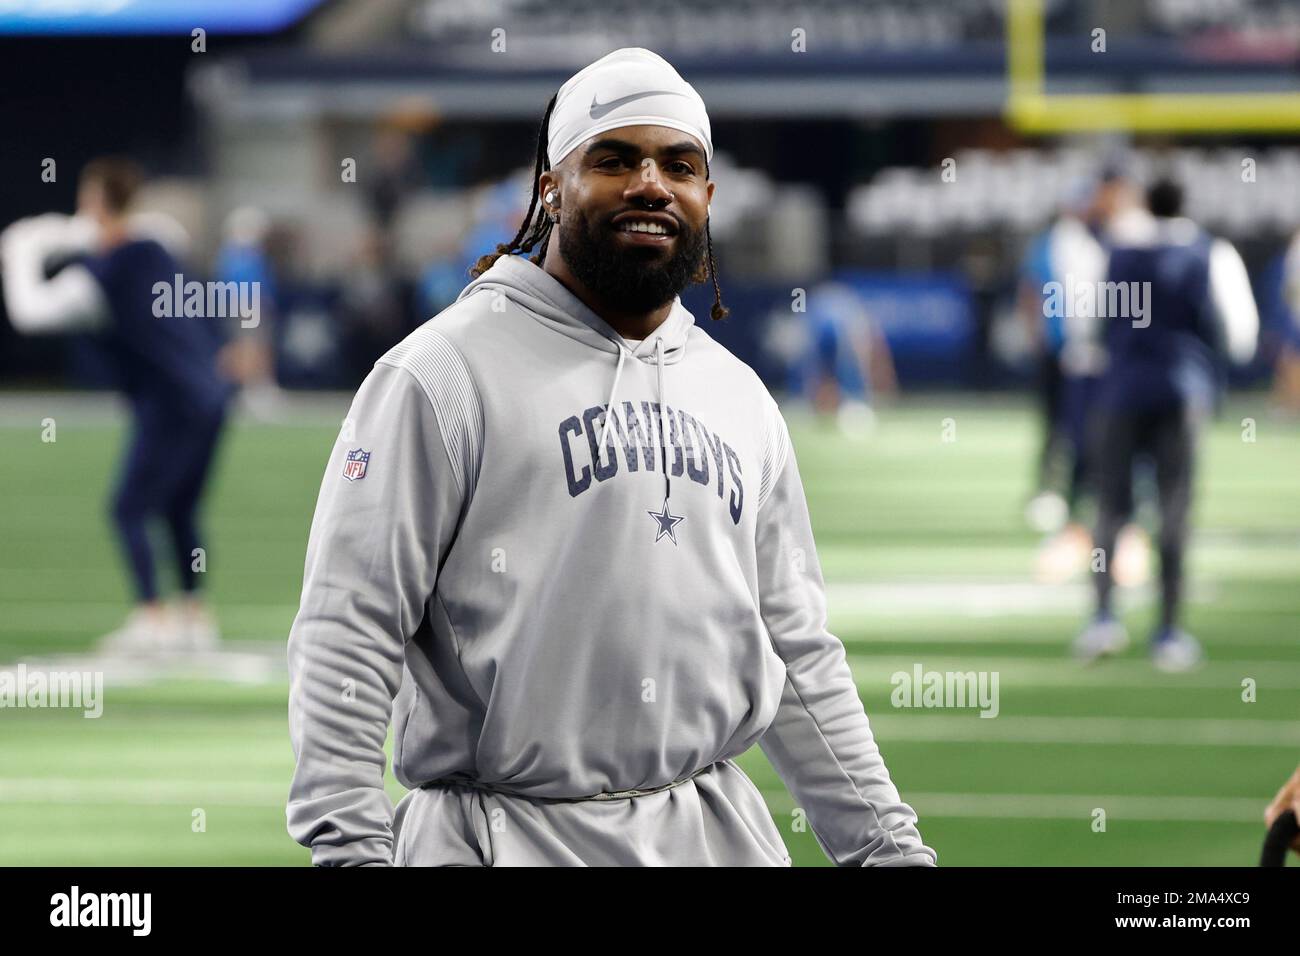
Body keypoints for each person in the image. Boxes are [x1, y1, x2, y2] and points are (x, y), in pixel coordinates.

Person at [286, 48, 935, 867]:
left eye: (679, 164)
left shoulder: (736, 395)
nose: (651, 184)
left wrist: (887, 850)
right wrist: (347, 848)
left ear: (707, 195)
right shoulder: (441, 374)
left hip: (713, 835)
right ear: (552, 186)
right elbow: (350, 627)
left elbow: (795, 651)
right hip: (499, 838)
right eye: (616, 159)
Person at [1, 157, 234, 654]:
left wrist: (21, 252)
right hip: (210, 396)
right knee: (179, 508)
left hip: (170, 400)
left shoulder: (106, 270)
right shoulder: (156, 246)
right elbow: (153, 229)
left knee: (128, 507)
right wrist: (73, 234)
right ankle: (194, 614)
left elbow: (30, 313)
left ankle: (153, 617)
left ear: (95, 205)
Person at [1073, 178, 1258, 671]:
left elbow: (1088, 327)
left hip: (1120, 394)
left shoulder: (1115, 251)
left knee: (1111, 508)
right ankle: (1169, 632)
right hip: (1181, 394)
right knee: (1174, 510)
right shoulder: (1208, 252)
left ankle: (1102, 618)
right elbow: (1238, 333)